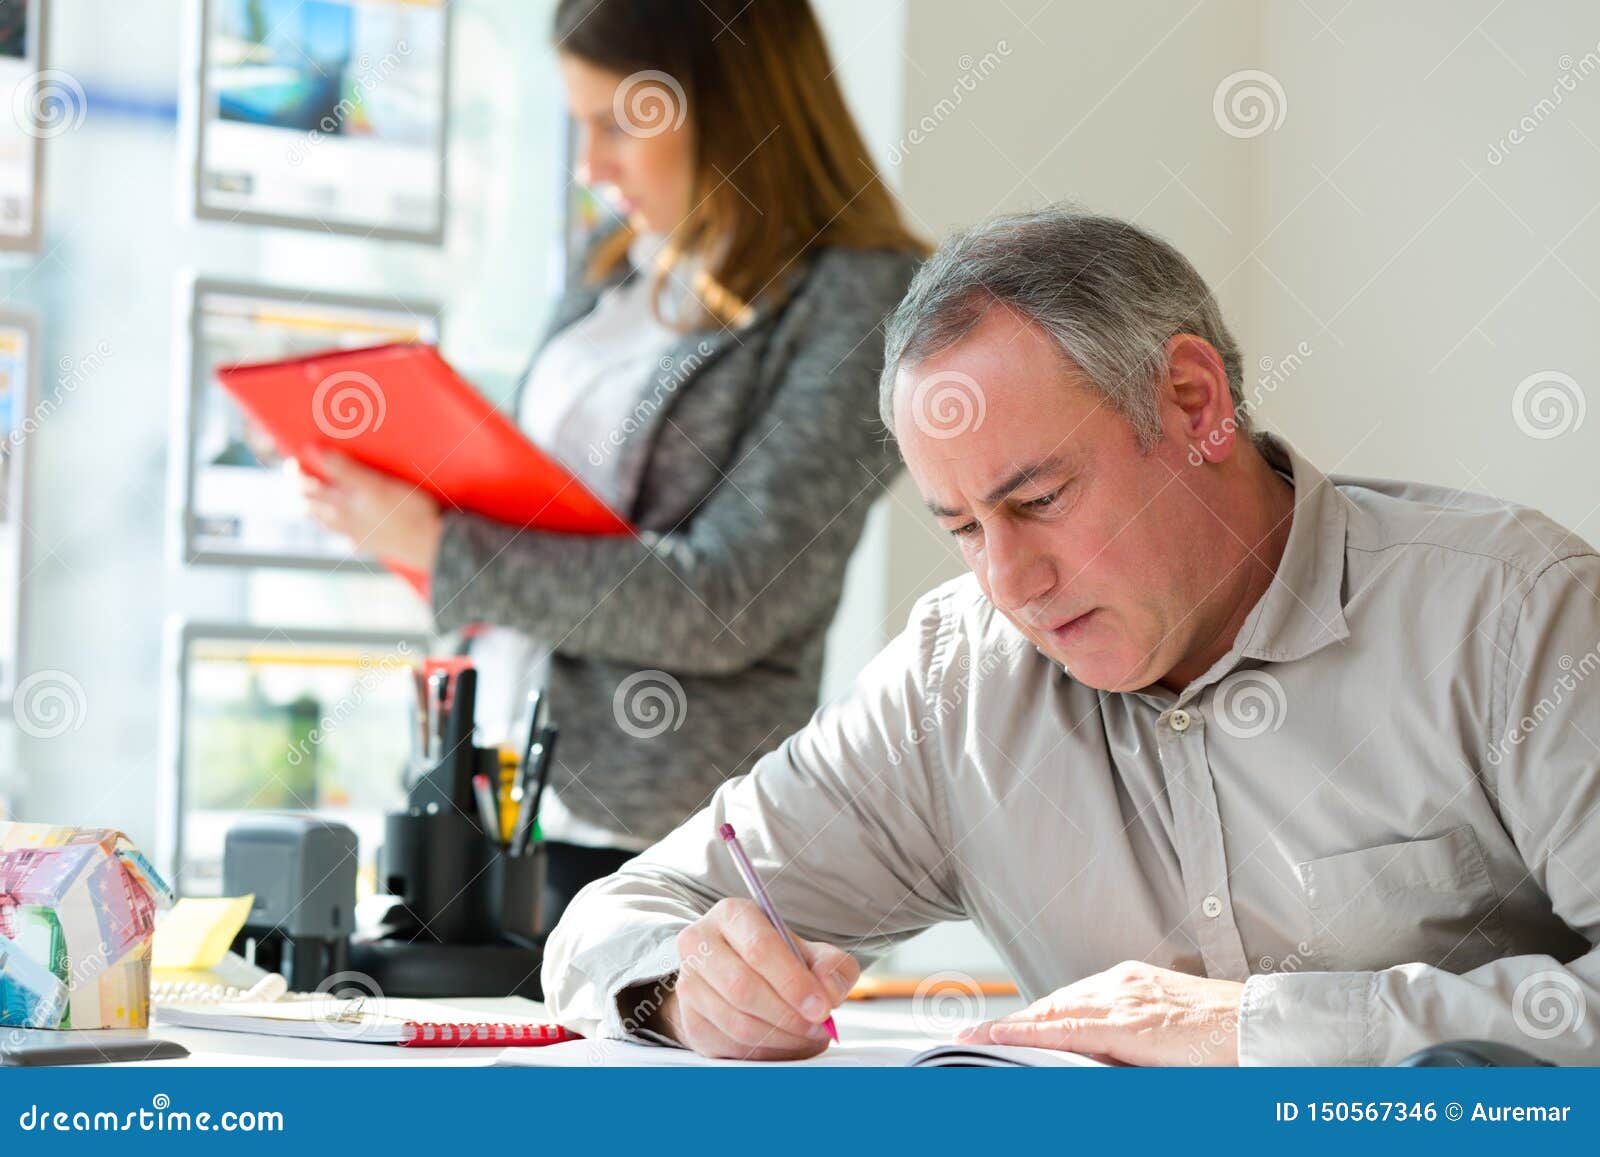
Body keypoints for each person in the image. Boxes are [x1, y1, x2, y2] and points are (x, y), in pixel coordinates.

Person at [539, 208, 1600, 1066]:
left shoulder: (1515, 614)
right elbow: (616, 916)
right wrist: (692, 987)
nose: (1010, 583)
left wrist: (1255, 1029)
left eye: (1038, 499)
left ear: (1193, 403)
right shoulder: (955, 682)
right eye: (960, 527)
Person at [301, 0, 925, 925]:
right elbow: (547, 509)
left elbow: (732, 596)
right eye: (578, 127)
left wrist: (451, 555)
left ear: (732, 102)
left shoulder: (864, 299)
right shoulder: (617, 262)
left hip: (654, 842)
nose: (591, 170)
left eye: (616, 127)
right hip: (488, 793)